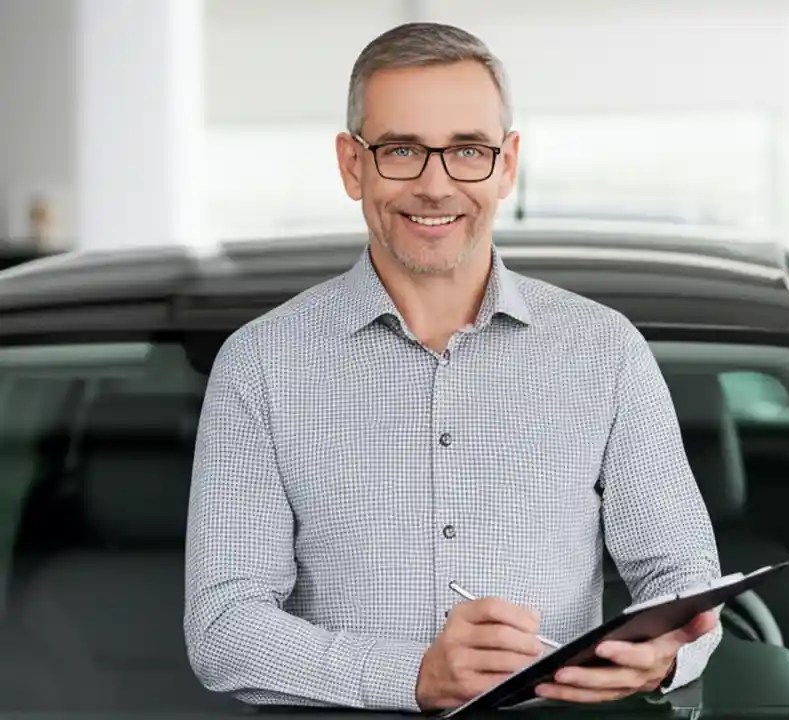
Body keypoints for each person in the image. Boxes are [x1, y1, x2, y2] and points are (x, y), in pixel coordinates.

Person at [183, 22, 722, 713]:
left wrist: (664, 653)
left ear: (506, 164)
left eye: (468, 150)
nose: (435, 186)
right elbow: (224, 627)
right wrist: (411, 675)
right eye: (402, 150)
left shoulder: (605, 351)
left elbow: (682, 577)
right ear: (353, 165)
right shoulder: (260, 365)